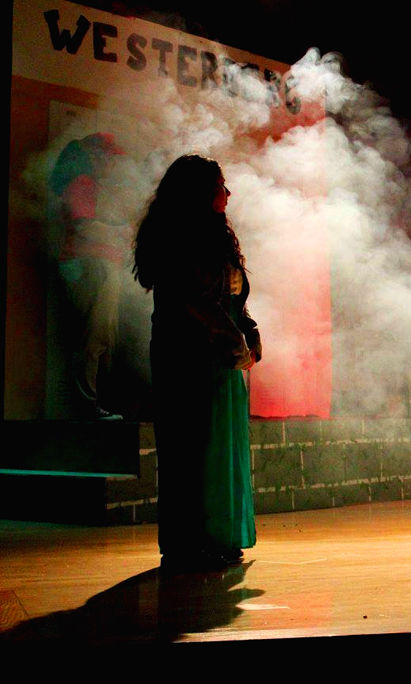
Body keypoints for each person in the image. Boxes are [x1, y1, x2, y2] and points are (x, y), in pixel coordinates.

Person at [134, 155, 260, 570]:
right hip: (188, 356)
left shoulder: (216, 236)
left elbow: (233, 299)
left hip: (219, 358)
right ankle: (188, 543)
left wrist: (250, 335)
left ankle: (217, 536)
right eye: (221, 185)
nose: (228, 192)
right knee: (189, 450)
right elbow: (195, 305)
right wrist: (236, 343)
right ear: (201, 192)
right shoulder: (179, 241)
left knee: (217, 449)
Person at [49, 132, 132, 420]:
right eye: (109, 158)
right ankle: (87, 406)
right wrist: (123, 232)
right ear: (96, 156)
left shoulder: (84, 184)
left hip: (92, 266)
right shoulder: (83, 183)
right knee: (93, 338)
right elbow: (85, 226)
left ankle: (90, 403)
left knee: (95, 338)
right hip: (92, 268)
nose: (112, 165)